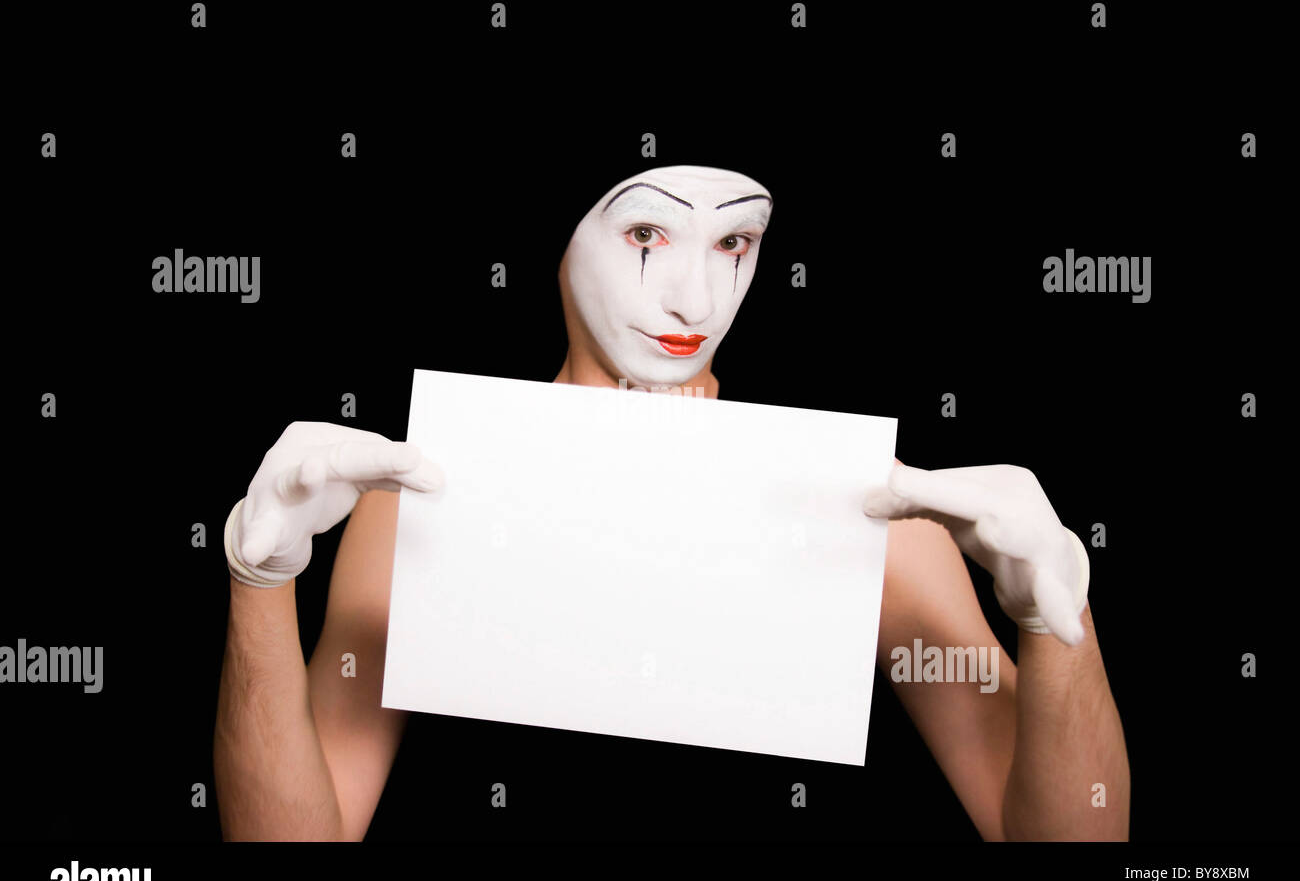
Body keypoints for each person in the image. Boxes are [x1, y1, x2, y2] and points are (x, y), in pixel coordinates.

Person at [214, 165, 1130, 841]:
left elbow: (1065, 846)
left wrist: (1055, 618)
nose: (696, 295)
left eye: (734, 243)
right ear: (561, 240)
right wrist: (260, 575)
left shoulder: (872, 513)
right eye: (647, 236)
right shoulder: (420, 502)